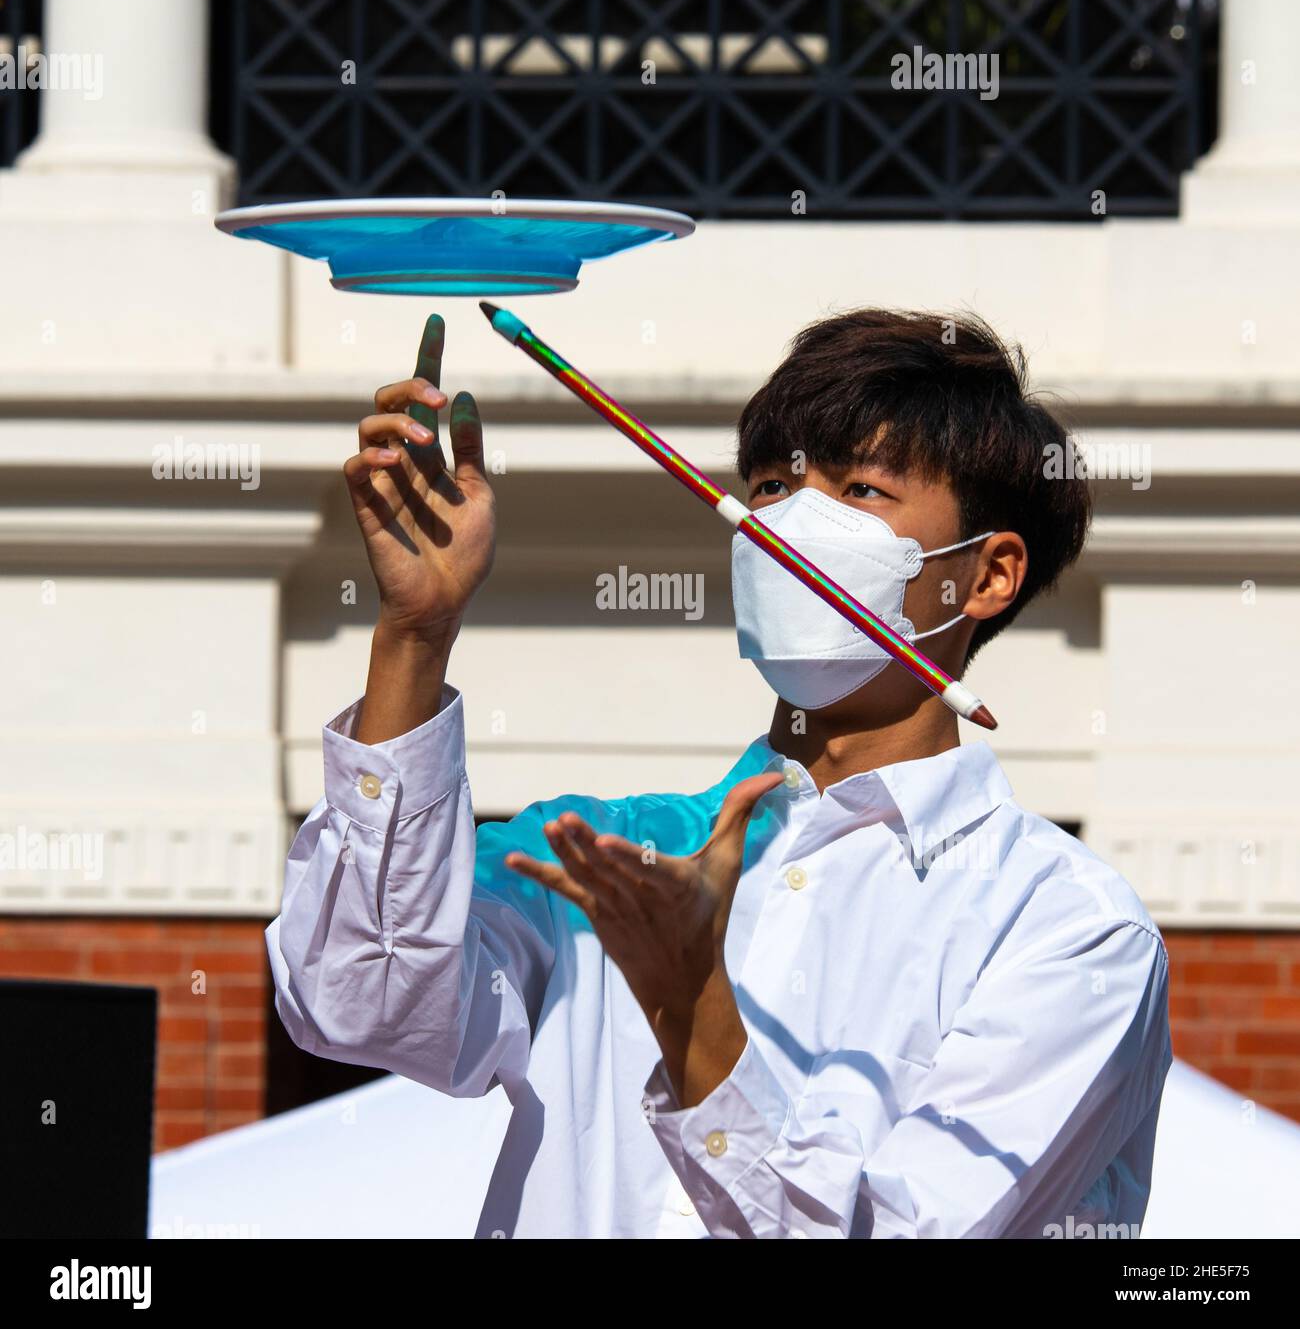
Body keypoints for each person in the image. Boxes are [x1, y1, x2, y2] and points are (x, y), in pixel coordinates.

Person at [266, 309, 1171, 1239]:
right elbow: (356, 1005)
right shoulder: (604, 850)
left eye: (860, 487)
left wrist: (694, 1002)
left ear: (987, 575)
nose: (791, 521)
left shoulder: (1069, 930)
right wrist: (415, 637)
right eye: (773, 483)